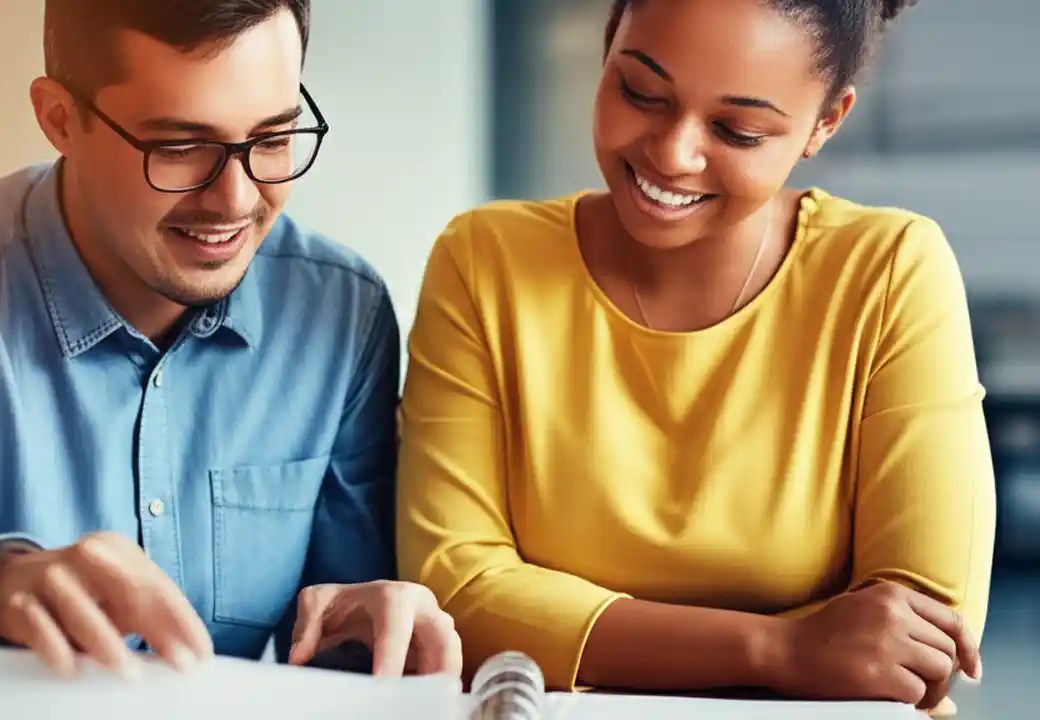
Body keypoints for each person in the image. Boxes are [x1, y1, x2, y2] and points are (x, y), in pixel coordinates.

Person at [0, 1, 459, 716]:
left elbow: (335, 634)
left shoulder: (341, 313)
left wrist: (363, 622)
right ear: (60, 119)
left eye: (274, 137)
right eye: (181, 146)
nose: (236, 198)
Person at [397, 0, 992, 713]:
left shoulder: (890, 271)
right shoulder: (484, 261)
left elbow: (921, 638)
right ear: (608, 42)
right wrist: (782, 651)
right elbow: (456, 590)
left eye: (737, 130)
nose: (672, 153)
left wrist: (562, 623)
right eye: (640, 92)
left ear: (825, 122)